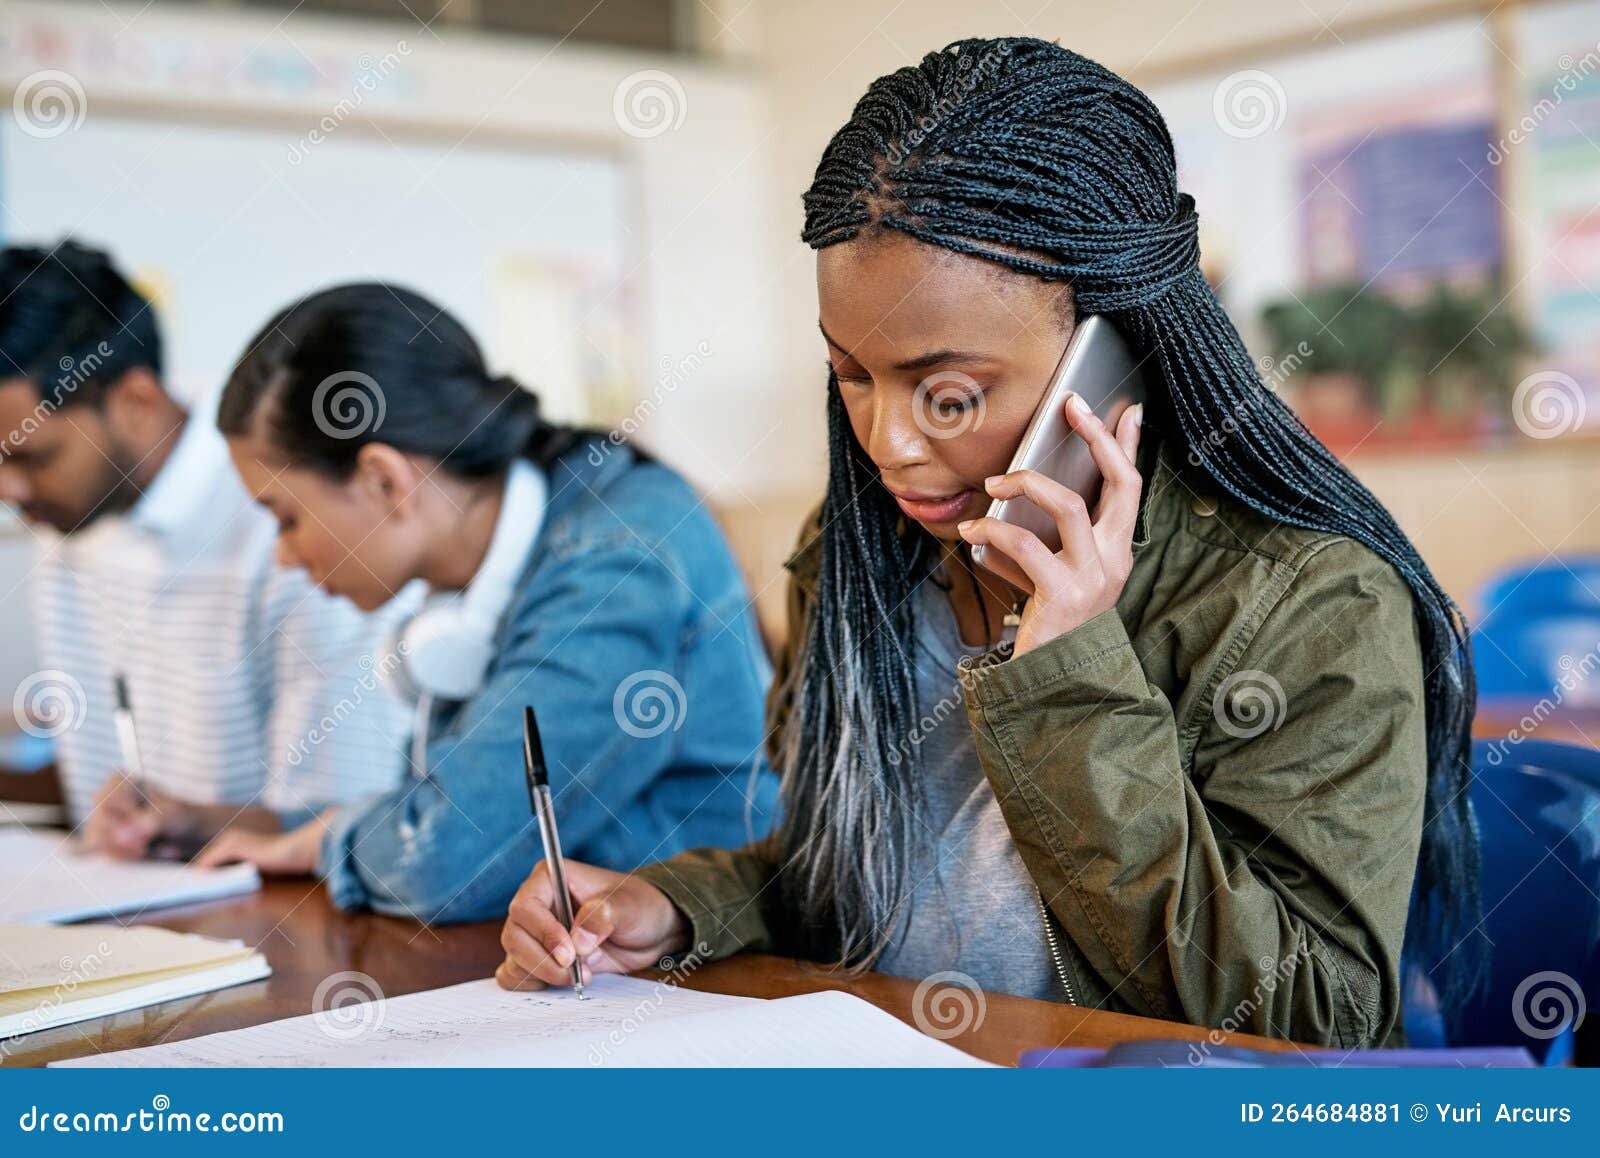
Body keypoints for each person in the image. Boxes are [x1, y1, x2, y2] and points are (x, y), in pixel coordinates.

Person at [493, 38, 1482, 1048]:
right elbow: (860, 880)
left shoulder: (1307, 600)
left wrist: (1071, 676)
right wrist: (679, 909)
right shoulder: (856, 554)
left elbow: (1316, 1018)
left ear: (1108, 358)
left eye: (951, 393)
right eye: (853, 375)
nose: (890, 444)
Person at [197, 283, 778, 924]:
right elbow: (450, 810)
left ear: (383, 478)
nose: (283, 555)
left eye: (285, 517)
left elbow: (446, 861)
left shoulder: (616, 559)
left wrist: (335, 839)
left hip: (711, 976)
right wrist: (233, 823)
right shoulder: (518, 545)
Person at [0, 241, 409, 851]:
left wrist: (194, 821)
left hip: (279, 925)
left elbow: (348, 822)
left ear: (135, 401)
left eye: (33, 455)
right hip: (124, 913)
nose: (10, 488)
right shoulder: (74, 520)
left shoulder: (293, 525)